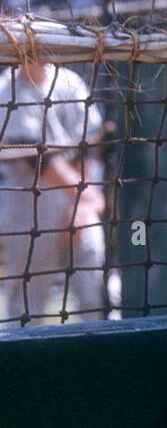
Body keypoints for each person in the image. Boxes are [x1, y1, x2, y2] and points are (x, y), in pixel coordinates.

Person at [0, 55, 118, 324]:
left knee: (95, 293)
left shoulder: (69, 82)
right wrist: (86, 196)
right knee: (28, 305)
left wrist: (83, 206)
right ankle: (24, 365)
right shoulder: (6, 88)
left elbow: (91, 146)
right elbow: (38, 160)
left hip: (78, 194)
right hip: (28, 203)